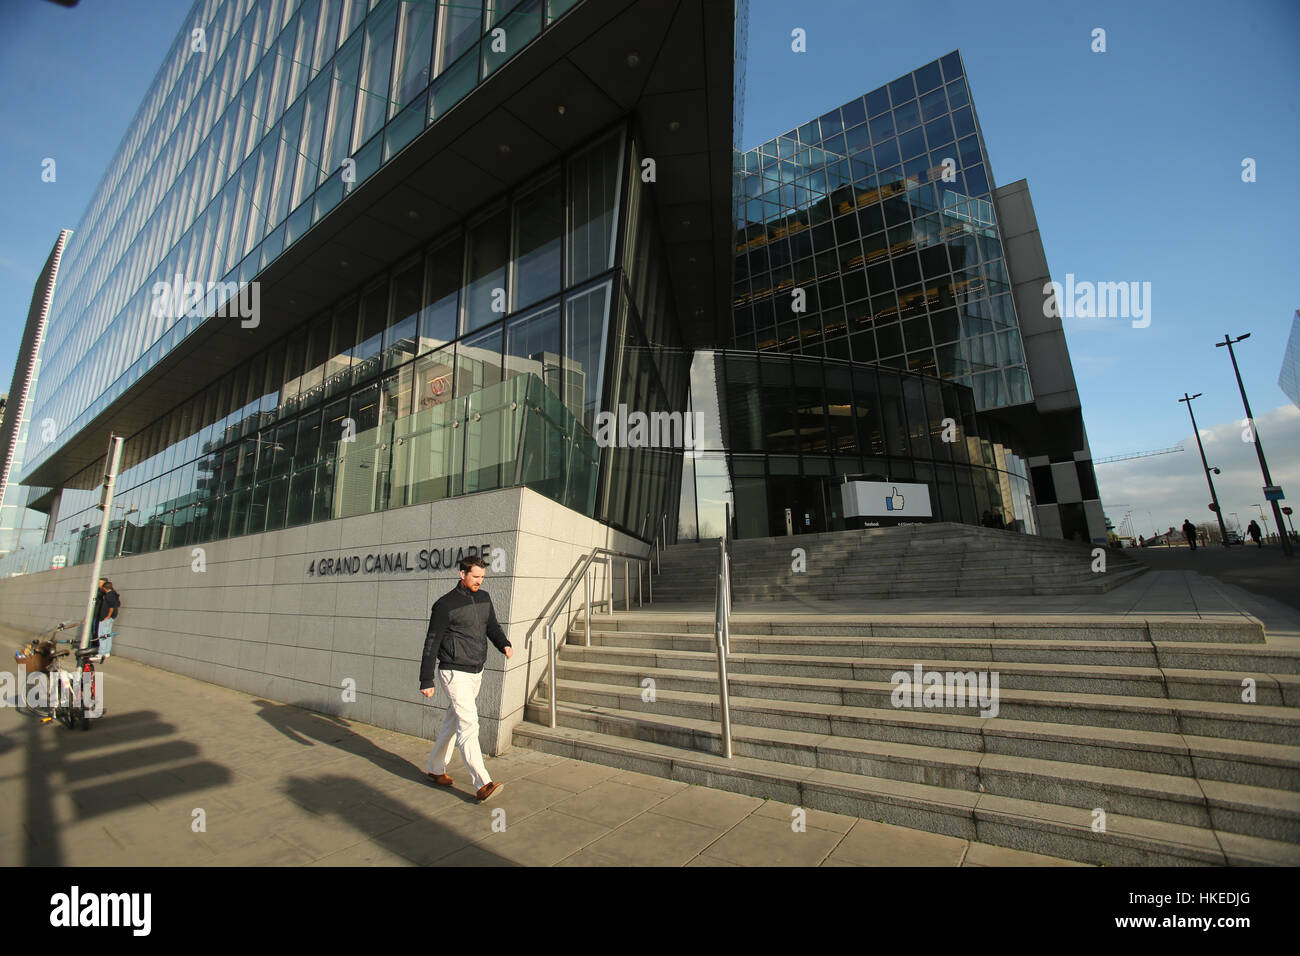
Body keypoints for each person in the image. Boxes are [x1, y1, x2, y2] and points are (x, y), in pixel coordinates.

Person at [418, 556, 513, 802]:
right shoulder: (445, 605)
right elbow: (432, 642)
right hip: (453, 671)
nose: (479, 581)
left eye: (482, 577)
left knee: (453, 721)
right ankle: (483, 783)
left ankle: (435, 768)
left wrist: (504, 644)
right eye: (475, 577)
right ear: (462, 574)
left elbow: (491, 626)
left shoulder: (484, 598)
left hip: (475, 671)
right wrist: (426, 679)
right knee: (469, 723)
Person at [94, 579, 120, 655]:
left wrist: (108, 616)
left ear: (105, 588)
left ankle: (101, 652)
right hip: (110, 618)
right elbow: (117, 606)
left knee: (102, 635)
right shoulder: (114, 595)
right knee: (107, 635)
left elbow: (111, 607)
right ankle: (106, 652)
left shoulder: (109, 596)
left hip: (105, 618)